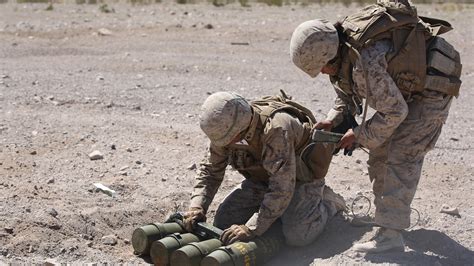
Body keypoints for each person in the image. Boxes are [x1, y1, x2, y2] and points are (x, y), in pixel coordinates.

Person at [289, 0, 460, 253]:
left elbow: (395, 111)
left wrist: (358, 135)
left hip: (432, 89)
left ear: (327, 55)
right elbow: (346, 95)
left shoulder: (364, 61)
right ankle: (385, 219)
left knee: (402, 153)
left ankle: (391, 234)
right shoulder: (343, 49)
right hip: (404, 89)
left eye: (322, 66)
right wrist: (333, 119)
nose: (324, 72)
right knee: (380, 149)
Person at [183, 91, 346, 246]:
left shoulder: (276, 129)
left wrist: (251, 228)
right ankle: (276, 213)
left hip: (299, 180)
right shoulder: (225, 130)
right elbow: (211, 171)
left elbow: (282, 187)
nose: (226, 144)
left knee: (299, 235)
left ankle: (327, 201)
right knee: (224, 221)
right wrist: (197, 206)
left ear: (240, 129)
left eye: (230, 139)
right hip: (263, 179)